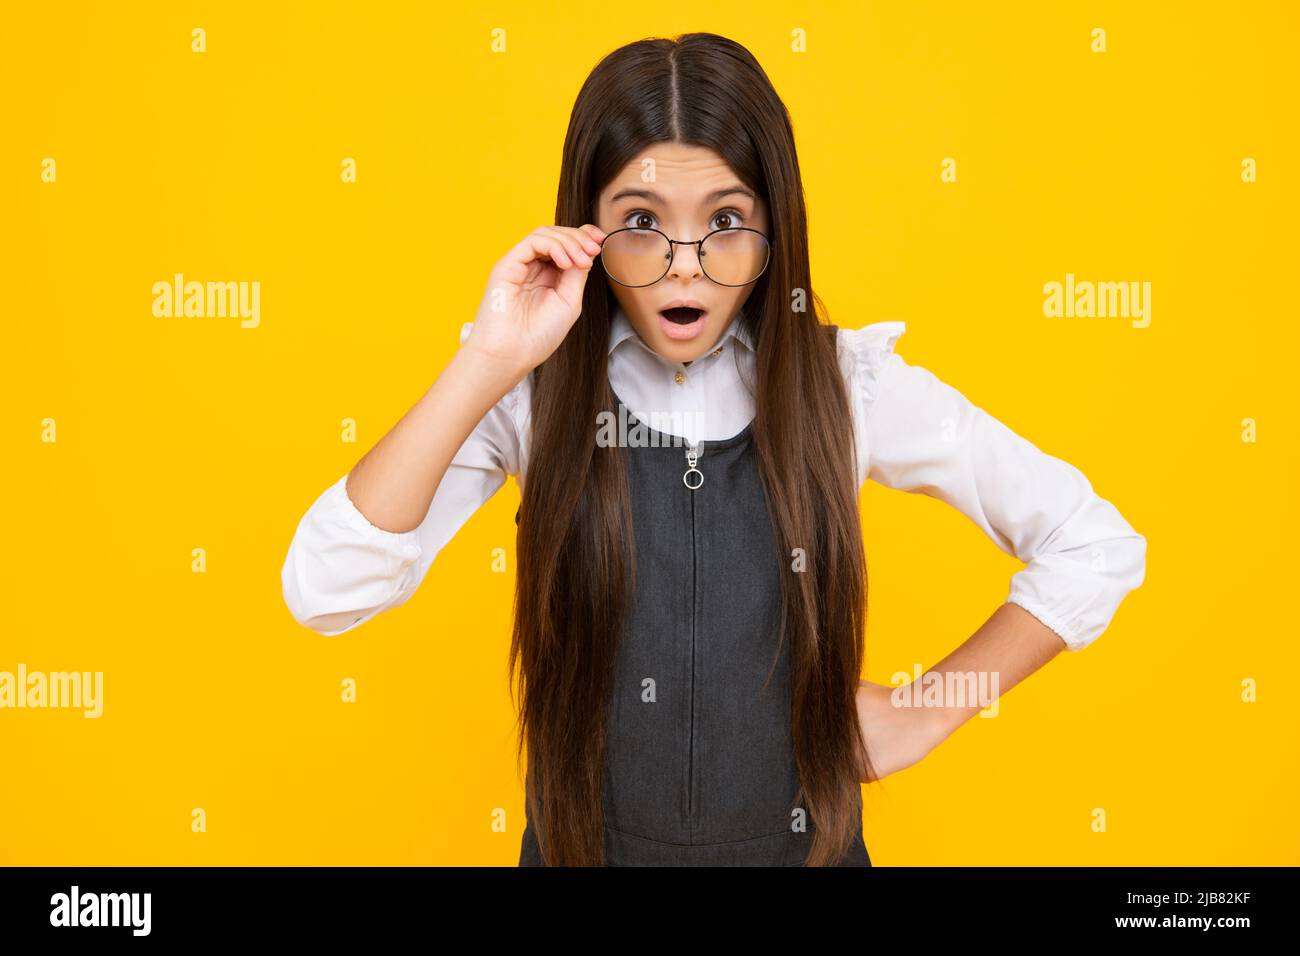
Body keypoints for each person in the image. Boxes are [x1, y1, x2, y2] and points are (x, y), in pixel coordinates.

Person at [280, 33, 1147, 867]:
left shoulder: (850, 388)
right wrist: (488, 359)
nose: (685, 265)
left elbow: (1092, 543)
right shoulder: (530, 395)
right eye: (641, 221)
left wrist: (931, 707)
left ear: (776, 229)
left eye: (726, 221)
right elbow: (325, 588)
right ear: (585, 229)